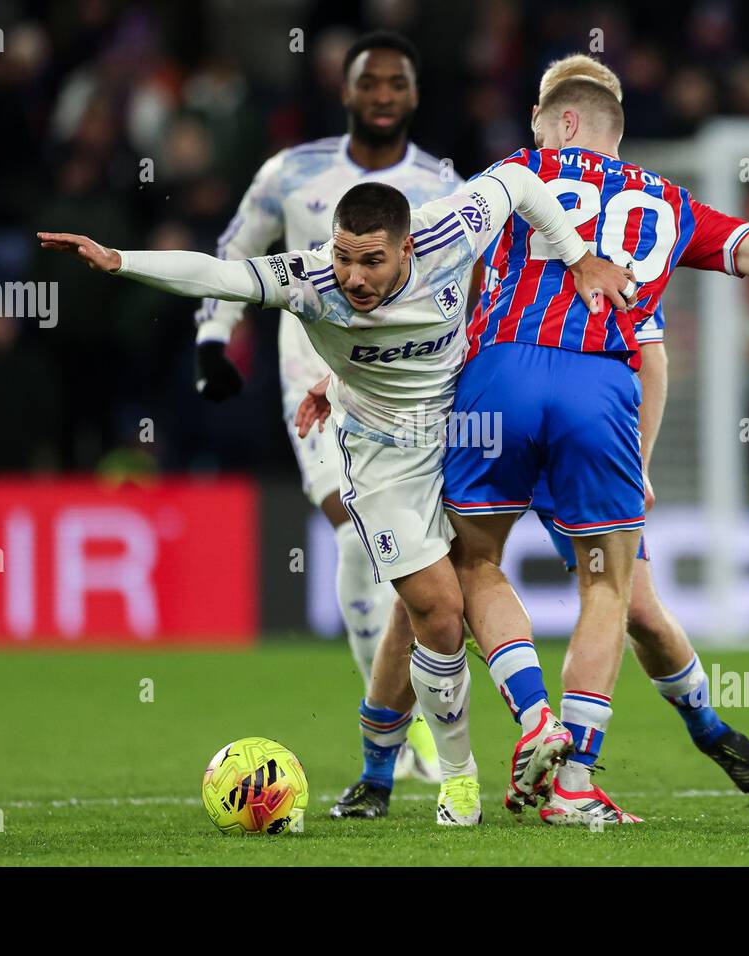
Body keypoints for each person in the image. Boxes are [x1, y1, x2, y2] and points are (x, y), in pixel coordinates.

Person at [37, 157, 633, 827]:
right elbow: (218, 274)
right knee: (439, 611)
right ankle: (460, 778)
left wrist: (580, 257)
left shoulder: (449, 231)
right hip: (382, 462)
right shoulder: (312, 279)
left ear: (407, 248)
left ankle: (466, 745)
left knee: (446, 594)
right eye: (345, 257)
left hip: (464, 431)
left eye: (371, 261)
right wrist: (119, 260)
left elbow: (520, 183)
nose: (354, 277)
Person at [439, 74, 749, 825]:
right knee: (609, 588)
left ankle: (547, 718)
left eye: (539, 120)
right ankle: (574, 782)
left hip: (498, 379)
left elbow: (426, 254)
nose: (534, 132)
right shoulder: (668, 204)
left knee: (477, 564)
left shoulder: (514, 173)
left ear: (565, 121)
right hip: (599, 392)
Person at [192, 31, 463, 784]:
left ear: (414, 94)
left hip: (413, 387)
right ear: (345, 91)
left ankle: (406, 716)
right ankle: (399, 734)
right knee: (353, 533)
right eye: (369, 82)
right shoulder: (293, 171)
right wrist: (214, 338)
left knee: (417, 554)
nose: (382, 96)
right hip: (313, 376)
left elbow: (473, 279)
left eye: (396, 83)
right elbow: (236, 251)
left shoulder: (441, 183)